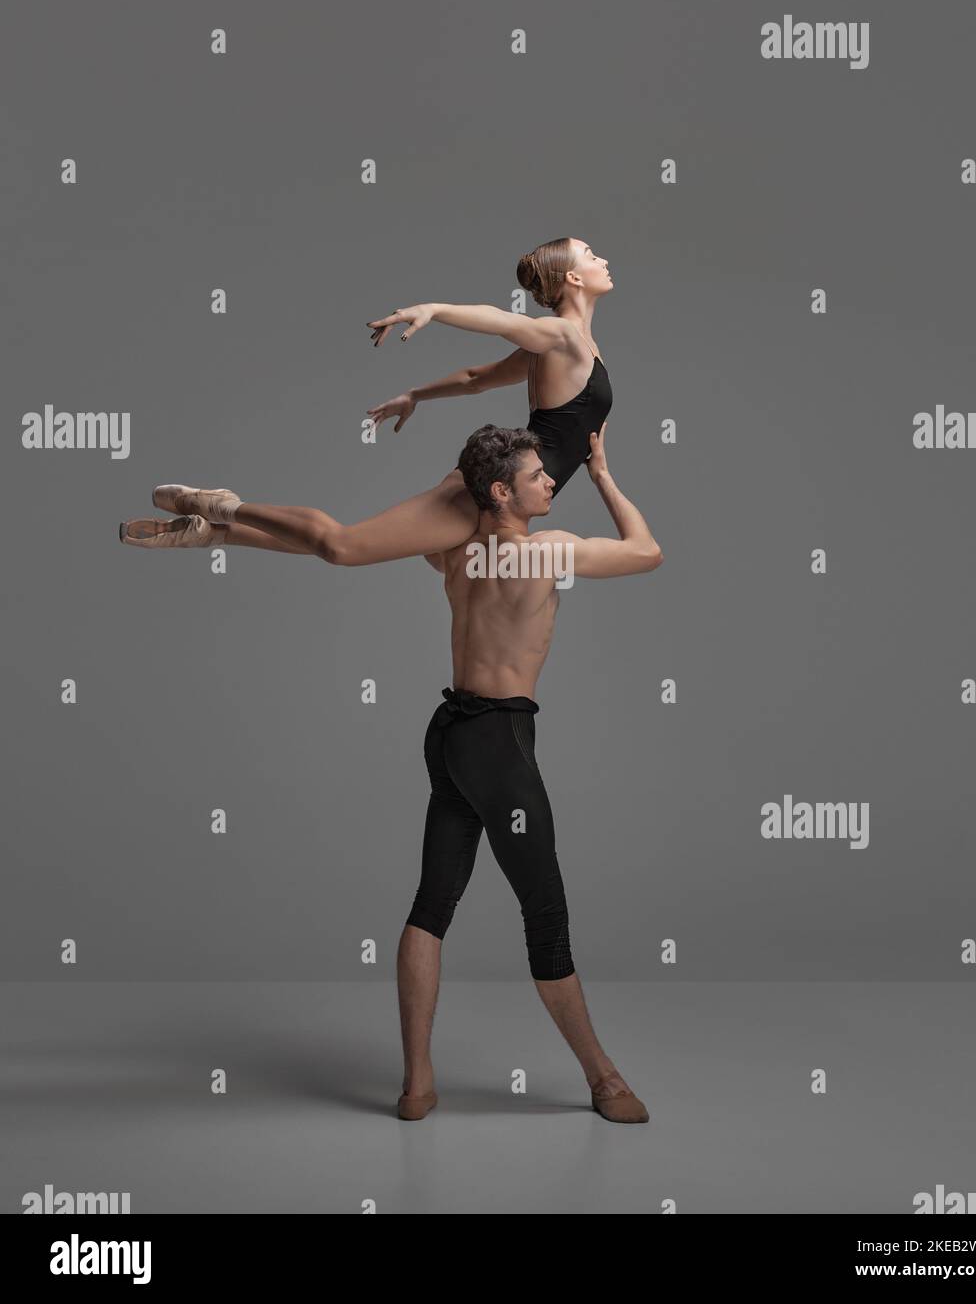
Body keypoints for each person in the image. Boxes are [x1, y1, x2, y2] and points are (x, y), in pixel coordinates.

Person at [396, 420, 662, 1123]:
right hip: (499, 745)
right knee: (545, 917)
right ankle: (604, 1081)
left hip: (449, 734)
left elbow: (438, 512)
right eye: (539, 474)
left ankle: (418, 1084)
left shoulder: (453, 550)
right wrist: (604, 474)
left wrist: (461, 481)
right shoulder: (547, 553)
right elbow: (648, 551)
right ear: (501, 492)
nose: (553, 480)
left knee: (432, 904)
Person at [118, 238, 614, 559]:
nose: (603, 260)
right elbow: (503, 321)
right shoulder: (560, 336)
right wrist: (434, 309)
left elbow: (474, 378)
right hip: (493, 494)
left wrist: (415, 394)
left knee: (353, 543)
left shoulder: (568, 347)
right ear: (572, 278)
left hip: (508, 496)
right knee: (343, 545)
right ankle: (225, 506)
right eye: (591, 256)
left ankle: (208, 531)